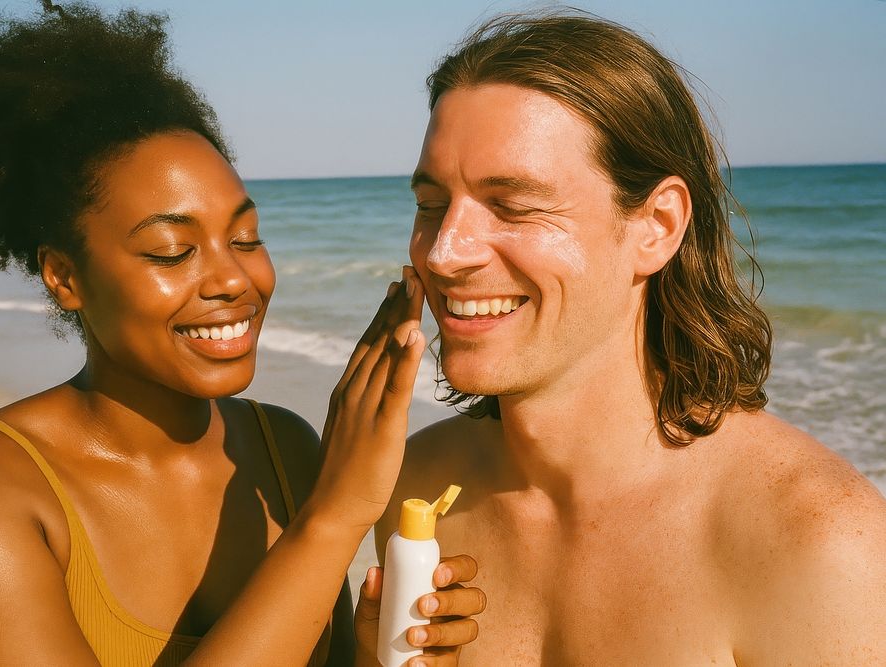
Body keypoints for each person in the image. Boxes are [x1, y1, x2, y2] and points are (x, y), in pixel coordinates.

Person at [0, 3, 485, 665]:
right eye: (173, 251)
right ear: (64, 276)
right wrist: (333, 518)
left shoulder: (285, 450)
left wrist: (385, 652)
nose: (234, 278)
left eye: (245, 238)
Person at [379, 11, 886, 665]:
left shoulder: (816, 540)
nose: (444, 253)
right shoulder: (417, 485)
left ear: (656, 225)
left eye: (513, 205)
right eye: (429, 206)